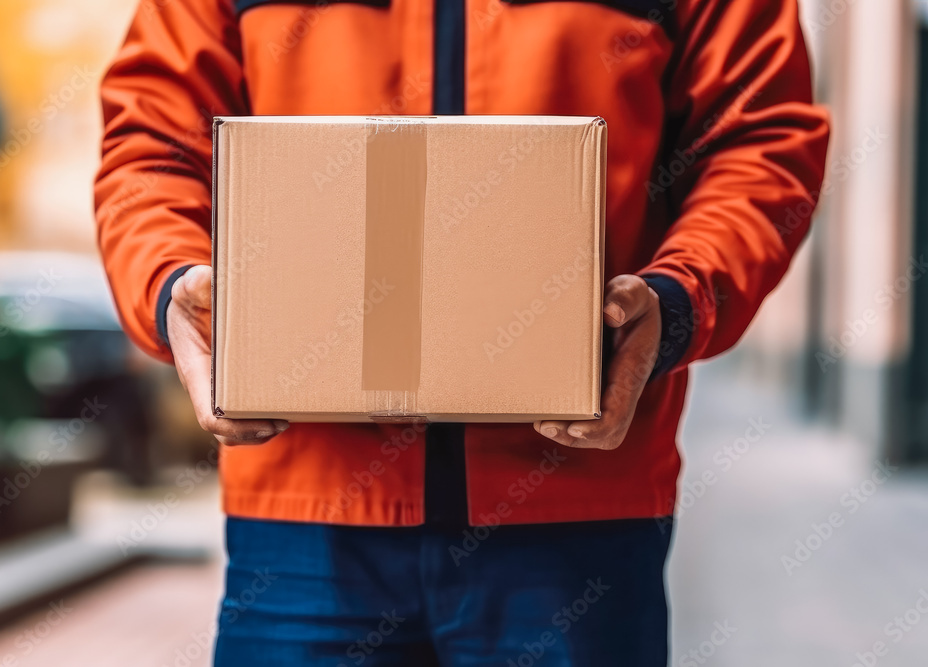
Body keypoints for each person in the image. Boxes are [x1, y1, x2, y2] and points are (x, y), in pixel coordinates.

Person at [94, 0, 829, 664]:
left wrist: (676, 300)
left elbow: (759, 142)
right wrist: (171, 283)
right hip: (307, 514)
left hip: (576, 511)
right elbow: (152, 141)